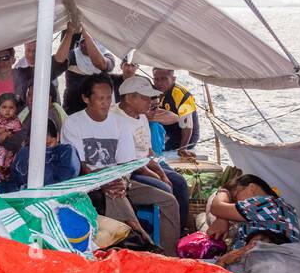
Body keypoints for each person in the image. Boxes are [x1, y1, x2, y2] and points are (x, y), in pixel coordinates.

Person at [61, 74, 172, 253]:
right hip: (88, 182)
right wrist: (103, 183)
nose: (106, 103)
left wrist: (123, 181)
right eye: (101, 99)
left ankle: (169, 251)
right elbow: (81, 166)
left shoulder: (120, 123)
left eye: (108, 98)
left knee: (168, 200)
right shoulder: (73, 123)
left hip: (117, 180)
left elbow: (126, 164)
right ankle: (144, 241)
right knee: (118, 201)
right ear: (86, 99)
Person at [110, 76, 186, 251]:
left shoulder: (141, 116)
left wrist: (162, 173)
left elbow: (148, 151)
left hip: (146, 163)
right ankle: (166, 243)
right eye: (145, 97)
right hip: (131, 169)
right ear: (130, 98)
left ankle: (178, 232)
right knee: (167, 188)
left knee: (179, 182)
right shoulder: (116, 119)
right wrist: (159, 177)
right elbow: (132, 162)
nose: (150, 102)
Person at [204, 174, 300, 249]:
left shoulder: (265, 203)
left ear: (252, 188)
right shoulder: (277, 206)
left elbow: (216, 207)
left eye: (235, 196)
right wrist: (222, 218)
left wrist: (224, 190)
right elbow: (220, 212)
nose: (235, 202)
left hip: (270, 262)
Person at [0, 116, 80, 193]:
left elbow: (64, 182)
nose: (42, 150)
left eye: (48, 145)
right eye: (36, 145)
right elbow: (13, 181)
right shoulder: (24, 152)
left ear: (58, 137)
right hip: (24, 199)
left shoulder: (66, 151)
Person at [63, 29, 119, 115]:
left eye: (88, 42)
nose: (84, 45)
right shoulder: (73, 55)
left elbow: (102, 64)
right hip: (74, 107)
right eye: (82, 42)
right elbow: (59, 62)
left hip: (99, 108)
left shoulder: (107, 56)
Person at [13, 27, 72, 104]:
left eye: (35, 51)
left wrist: (69, 33)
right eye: (28, 50)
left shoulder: (46, 63)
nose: (31, 55)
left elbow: (60, 59)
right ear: (24, 48)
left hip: (49, 103)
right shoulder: (19, 67)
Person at [151, 68, 200, 154]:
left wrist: (183, 148)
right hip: (167, 132)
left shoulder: (181, 94)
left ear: (173, 79)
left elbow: (187, 124)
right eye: (156, 79)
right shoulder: (154, 91)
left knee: (155, 150)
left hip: (184, 137)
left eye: (164, 78)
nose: (159, 83)